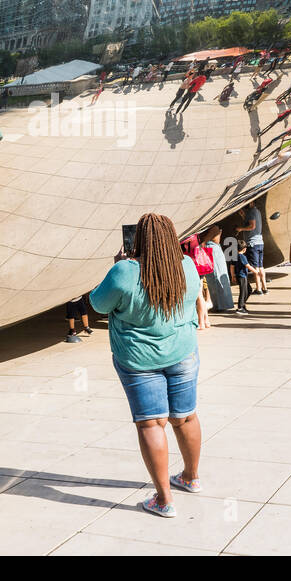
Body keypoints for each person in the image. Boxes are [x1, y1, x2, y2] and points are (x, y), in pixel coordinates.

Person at [89, 213, 207, 518]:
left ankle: (164, 499)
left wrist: (118, 265)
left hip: (139, 360)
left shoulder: (124, 272)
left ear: (137, 239)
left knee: (152, 423)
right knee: (185, 417)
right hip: (182, 352)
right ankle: (191, 477)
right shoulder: (187, 266)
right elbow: (190, 298)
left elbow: (98, 304)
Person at [201, 225, 235, 314]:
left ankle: (221, 305)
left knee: (216, 277)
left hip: (212, 250)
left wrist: (202, 242)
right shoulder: (213, 228)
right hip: (212, 249)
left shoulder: (214, 228)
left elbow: (209, 237)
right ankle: (218, 304)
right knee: (212, 278)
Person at [237, 199, 267, 296]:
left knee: (255, 267)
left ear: (251, 202)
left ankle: (258, 289)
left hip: (252, 243)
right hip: (259, 243)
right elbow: (251, 222)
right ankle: (264, 288)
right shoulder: (256, 211)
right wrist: (243, 216)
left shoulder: (251, 212)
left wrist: (241, 229)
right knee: (260, 266)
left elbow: (252, 226)